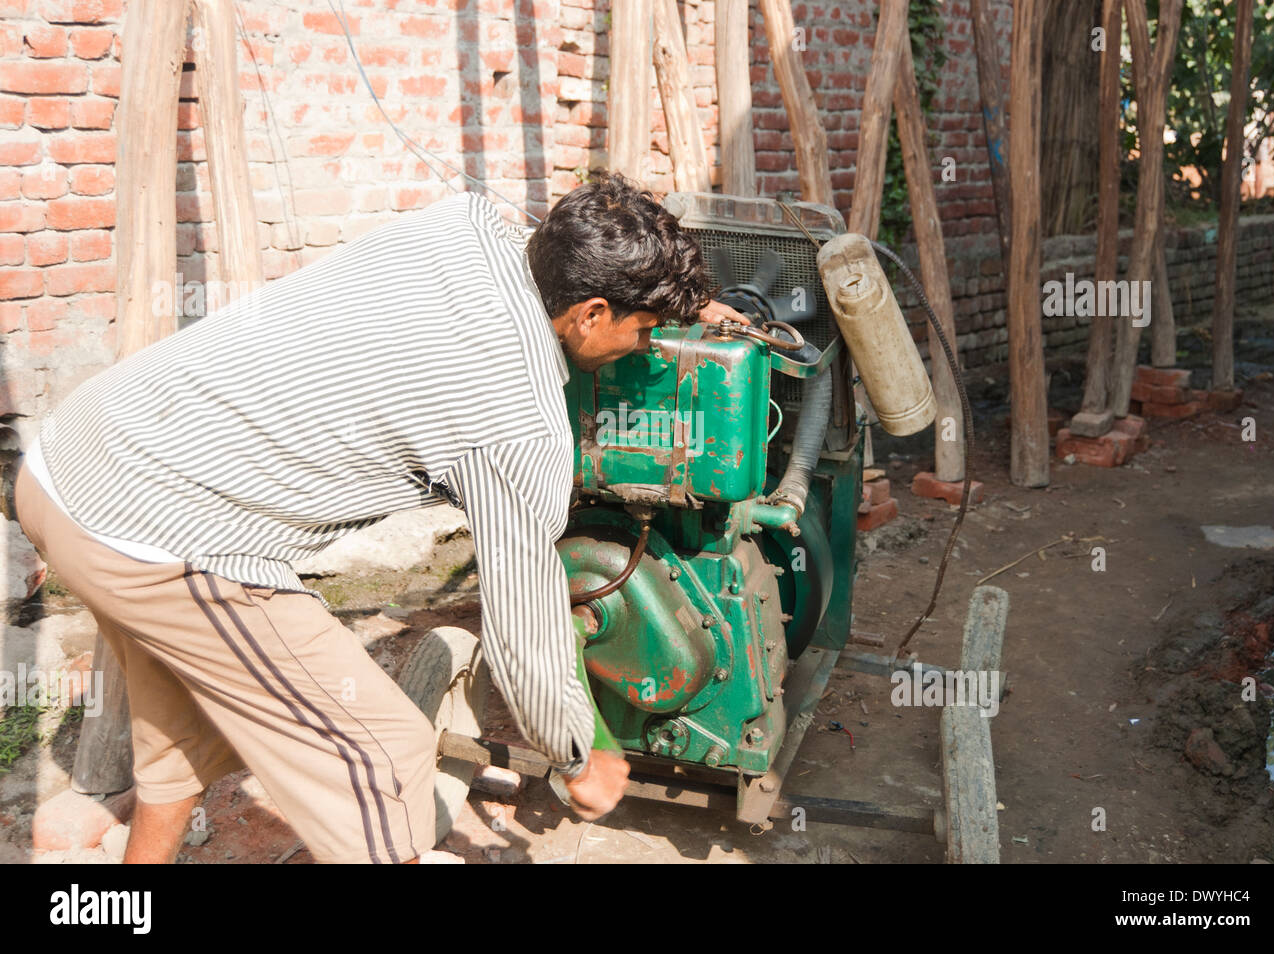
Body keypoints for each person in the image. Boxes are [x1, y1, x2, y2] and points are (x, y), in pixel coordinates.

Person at [12, 171, 742, 864]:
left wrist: (678, 300)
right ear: (590, 314)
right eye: (644, 330)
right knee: (381, 754)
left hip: (71, 460)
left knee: (178, 726)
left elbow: (568, 242)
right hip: (157, 534)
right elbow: (525, 624)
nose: (646, 347)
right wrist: (579, 749)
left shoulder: (464, 225)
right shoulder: (515, 421)